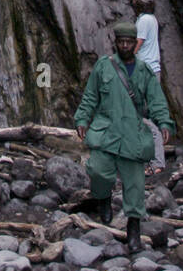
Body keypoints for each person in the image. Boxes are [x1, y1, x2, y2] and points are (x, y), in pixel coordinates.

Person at [73, 19, 174, 255]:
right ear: (116, 43)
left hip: (132, 134)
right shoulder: (103, 67)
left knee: (135, 185)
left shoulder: (144, 71)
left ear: (134, 44)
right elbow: (90, 96)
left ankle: (134, 229)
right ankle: (104, 198)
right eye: (122, 41)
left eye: (130, 41)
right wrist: (82, 119)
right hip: (106, 129)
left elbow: (157, 100)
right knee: (97, 169)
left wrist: (164, 122)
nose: (126, 45)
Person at [132, 0, 165, 173]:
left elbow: (138, 43)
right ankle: (149, 158)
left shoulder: (144, 21)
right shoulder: (150, 19)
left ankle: (157, 162)